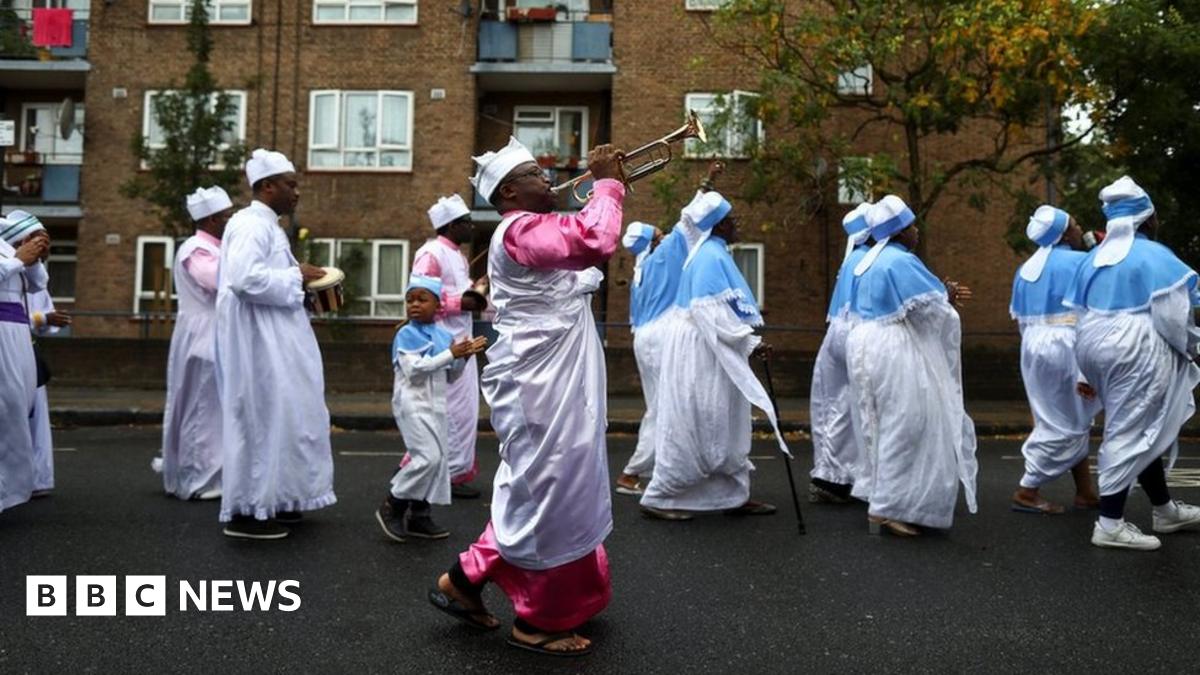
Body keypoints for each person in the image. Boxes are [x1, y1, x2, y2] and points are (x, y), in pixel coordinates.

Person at [427, 138, 624, 657]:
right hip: (540, 383)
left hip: (553, 377)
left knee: (552, 484)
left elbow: (577, 257)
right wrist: (607, 183)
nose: (550, 177)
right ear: (510, 192)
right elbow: (595, 239)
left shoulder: (535, 229)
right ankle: (538, 621)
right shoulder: (519, 230)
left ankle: (465, 580)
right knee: (550, 485)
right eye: (537, 172)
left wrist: (605, 192)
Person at [1064, 176, 1200, 551]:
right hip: (1136, 347)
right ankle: (1109, 523)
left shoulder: (1093, 258)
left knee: (1140, 425)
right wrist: (1193, 349)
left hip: (1093, 345)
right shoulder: (1156, 256)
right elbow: (1173, 318)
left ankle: (1164, 510)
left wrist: (1083, 369)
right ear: (1148, 218)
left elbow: (1080, 315)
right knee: (1130, 430)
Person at [639, 191, 788, 521]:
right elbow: (710, 314)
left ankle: (733, 494)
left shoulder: (713, 252)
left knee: (725, 421)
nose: (736, 224)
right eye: (731, 219)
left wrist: (746, 341)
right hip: (702, 352)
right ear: (718, 225)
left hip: (708, 348)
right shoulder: (709, 256)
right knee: (703, 421)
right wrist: (749, 342)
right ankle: (662, 495)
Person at [214, 149, 335, 540]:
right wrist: (297, 277)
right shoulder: (251, 224)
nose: (296, 192)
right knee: (260, 420)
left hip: (275, 341)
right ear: (267, 187)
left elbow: (269, 278)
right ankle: (248, 512)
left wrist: (302, 285)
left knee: (287, 418)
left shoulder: (269, 226)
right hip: (257, 346)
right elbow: (245, 280)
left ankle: (278, 497)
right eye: (290, 184)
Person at [844, 195, 978, 537]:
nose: (917, 231)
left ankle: (887, 497)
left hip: (863, 345)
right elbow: (932, 312)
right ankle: (889, 506)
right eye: (912, 226)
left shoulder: (867, 261)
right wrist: (947, 299)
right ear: (900, 231)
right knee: (908, 423)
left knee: (877, 422)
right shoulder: (901, 261)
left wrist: (939, 296)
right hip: (894, 349)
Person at [614, 163, 717, 496]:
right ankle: (634, 471)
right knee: (666, 406)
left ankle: (668, 467)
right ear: (654, 240)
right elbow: (688, 220)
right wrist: (706, 182)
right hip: (662, 337)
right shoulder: (663, 255)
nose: (664, 234)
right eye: (659, 233)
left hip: (643, 339)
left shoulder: (641, 269)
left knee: (661, 403)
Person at [376, 275, 488, 543]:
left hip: (436, 405)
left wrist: (463, 357)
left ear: (438, 305)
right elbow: (414, 371)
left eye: (422, 299)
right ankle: (393, 504)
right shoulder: (406, 334)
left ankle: (419, 515)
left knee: (438, 461)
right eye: (410, 300)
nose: (414, 304)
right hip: (412, 404)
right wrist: (451, 354)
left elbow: (450, 375)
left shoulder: (444, 336)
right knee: (427, 458)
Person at [1009, 205, 1101, 514]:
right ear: (1063, 234)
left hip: (1033, 346)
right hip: (1066, 344)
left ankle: (1085, 492)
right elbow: (1093, 312)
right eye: (1074, 225)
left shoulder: (1025, 269)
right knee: (1069, 422)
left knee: (1063, 417)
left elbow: (1020, 321)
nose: (1079, 229)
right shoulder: (1081, 262)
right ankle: (1027, 489)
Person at [411, 194, 488, 499]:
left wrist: (476, 292)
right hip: (440, 344)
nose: (471, 226)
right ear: (451, 225)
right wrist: (462, 301)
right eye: (466, 222)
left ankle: (453, 473)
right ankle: (431, 472)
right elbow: (418, 296)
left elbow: (458, 294)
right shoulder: (430, 253)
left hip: (463, 344)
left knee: (464, 412)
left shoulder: (457, 256)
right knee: (445, 411)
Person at [161, 186, 233, 501]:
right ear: (212, 219)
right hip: (204, 333)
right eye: (226, 216)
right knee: (202, 407)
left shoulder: (214, 247)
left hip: (214, 329)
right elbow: (218, 280)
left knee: (213, 406)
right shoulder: (197, 249)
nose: (230, 221)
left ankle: (209, 471)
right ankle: (197, 478)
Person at [808, 202, 872, 504]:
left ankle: (832, 472)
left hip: (836, 331)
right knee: (850, 407)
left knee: (834, 404)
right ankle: (835, 477)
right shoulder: (869, 259)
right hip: (856, 332)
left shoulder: (850, 260)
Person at [0, 212, 49, 513]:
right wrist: (18, 259)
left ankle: (10, 486)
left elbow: (39, 284)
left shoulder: (11, 249)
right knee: (6, 408)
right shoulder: (10, 254)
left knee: (20, 405)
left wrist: (35, 257)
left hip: (17, 334)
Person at [27, 285, 70, 497]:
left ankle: (37, 478)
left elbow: (43, 321)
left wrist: (49, 319)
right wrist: (42, 318)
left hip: (28, 351)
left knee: (36, 418)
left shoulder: (34, 281)